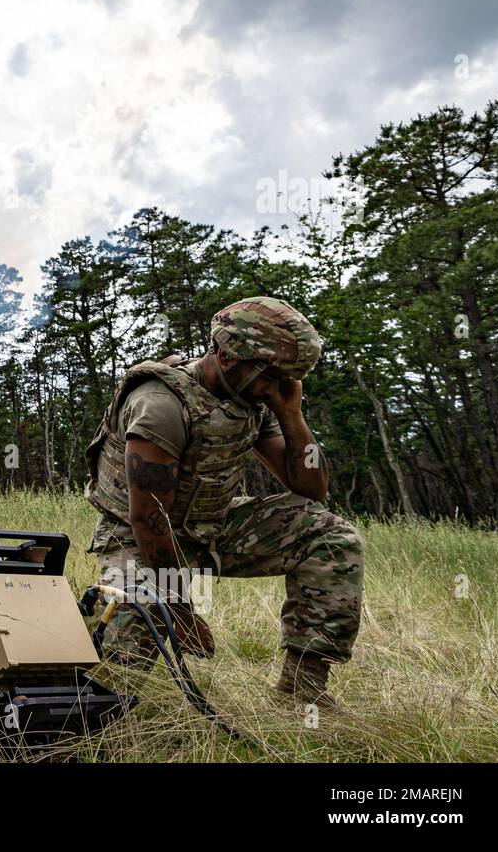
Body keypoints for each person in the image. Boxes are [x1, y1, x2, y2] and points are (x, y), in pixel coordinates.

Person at [84, 297, 362, 706]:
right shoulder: (161, 405)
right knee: (132, 632)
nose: (276, 387)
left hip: (210, 524)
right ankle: (92, 711)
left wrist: (292, 415)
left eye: (288, 379)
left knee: (332, 537)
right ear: (227, 354)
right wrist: (180, 612)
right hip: (136, 535)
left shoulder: (254, 398)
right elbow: (148, 519)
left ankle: (302, 689)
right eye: (271, 376)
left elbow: (311, 491)